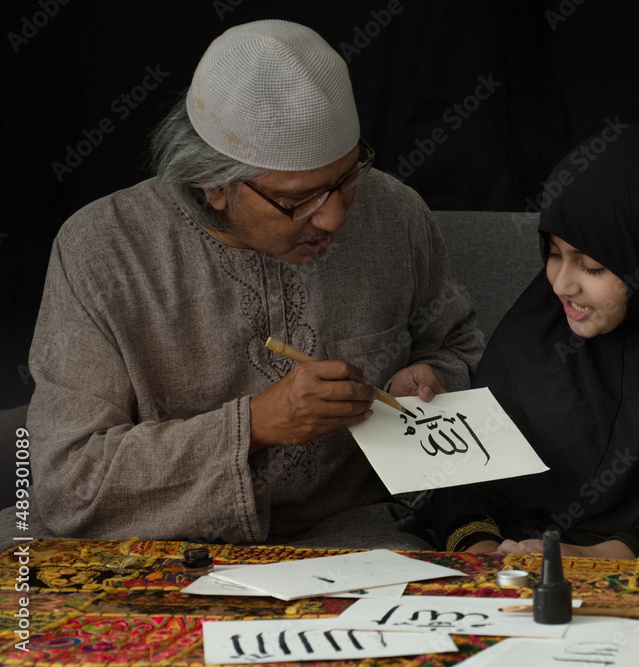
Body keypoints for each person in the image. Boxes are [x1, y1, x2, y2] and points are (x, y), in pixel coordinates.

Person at [9, 20, 483, 550]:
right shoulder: (103, 249)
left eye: (348, 179)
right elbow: (68, 480)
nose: (333, 219)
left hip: (359, 535)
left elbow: (458, 347)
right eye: (298, 198)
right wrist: (255, 425)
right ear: (213, 183)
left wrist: (429, 378)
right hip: (160, 547)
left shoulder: (393, 213)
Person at [423, 126, 639, 560]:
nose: (561, 285)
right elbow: (461, 478)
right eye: (552, 253)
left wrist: (591, 559)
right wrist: (483, 548)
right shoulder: (533, 336)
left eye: (591, 266)